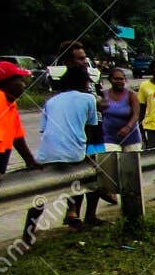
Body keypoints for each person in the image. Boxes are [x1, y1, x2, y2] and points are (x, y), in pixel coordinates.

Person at [0, 60, 42, 269]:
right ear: (7, 82)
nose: (23, 83)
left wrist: (31, 162)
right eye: (19, 79)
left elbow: (18, 136)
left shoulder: (7, 99)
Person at [37, 67, 115, 228]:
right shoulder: (89, 99)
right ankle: (86, 215)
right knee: (94, 175)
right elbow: (89, 129)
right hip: (73, 152)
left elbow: (44, 130)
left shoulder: (51, 101)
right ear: (85, 82)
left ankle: (28, 232)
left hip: (45, 153)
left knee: (39, 194)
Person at [100, 67, 141, 150]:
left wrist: (128, 127)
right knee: (110, 161)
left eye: (121, 79)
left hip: (130, 136)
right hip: (109, 137)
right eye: (116, 79)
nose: (119, 81)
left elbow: (136, 114)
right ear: (110, 80)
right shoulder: (103, 95)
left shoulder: (131, 95)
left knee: (130, 161)